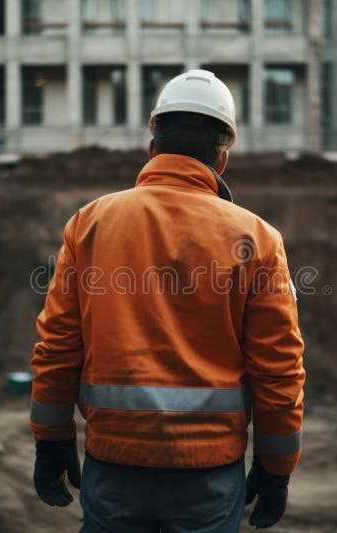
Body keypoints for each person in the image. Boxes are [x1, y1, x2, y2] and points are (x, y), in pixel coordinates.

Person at [30, 69, 305, 532]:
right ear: (222, 158)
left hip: (113, 465)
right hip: (209, 476)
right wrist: (276, 470)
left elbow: (57, 348)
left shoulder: (88, 224)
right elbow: (278, 369)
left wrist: (52, 441)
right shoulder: (258, 239)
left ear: (153, 145)